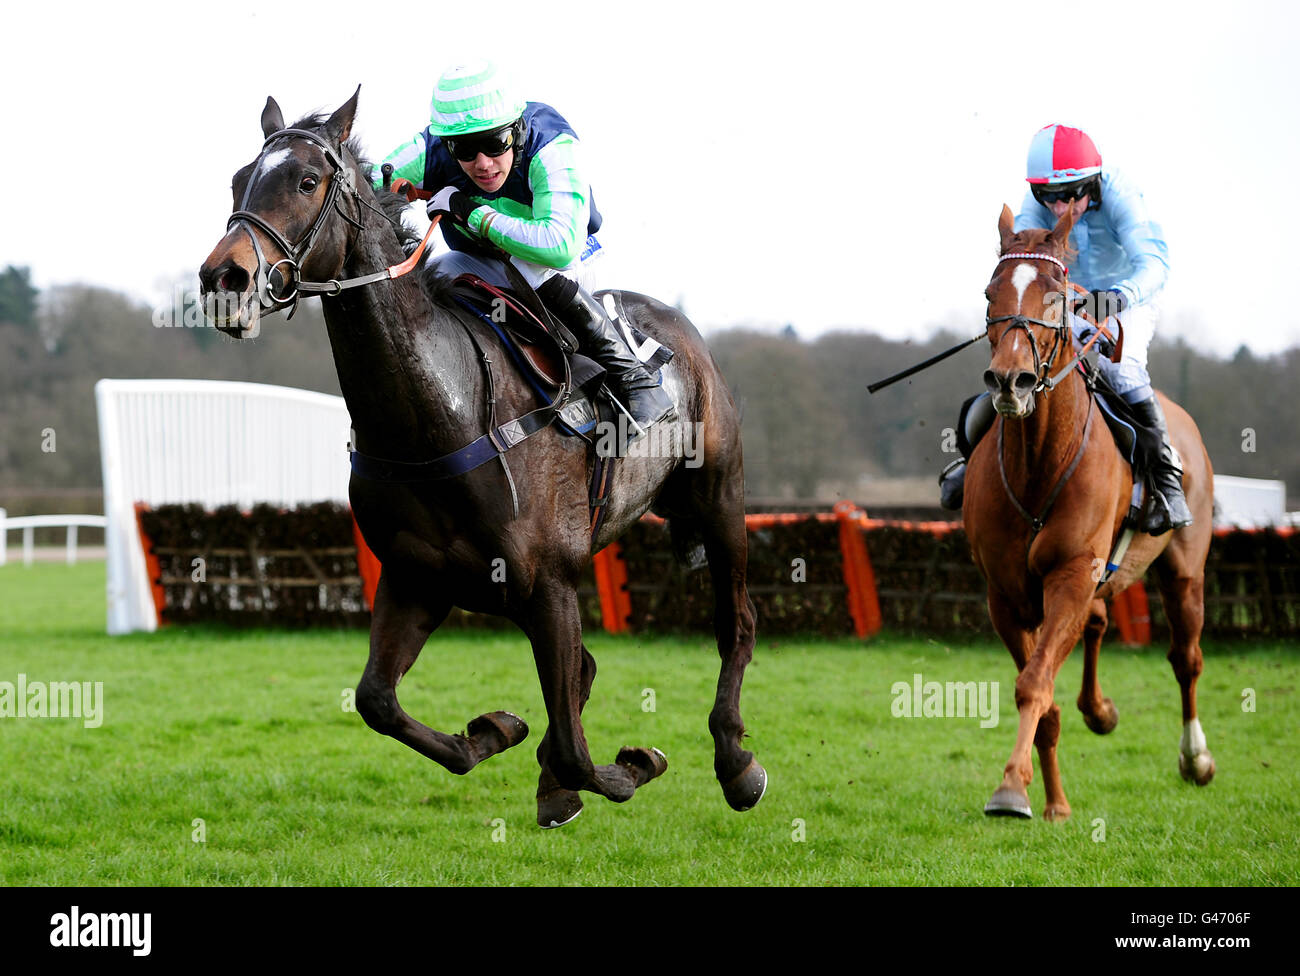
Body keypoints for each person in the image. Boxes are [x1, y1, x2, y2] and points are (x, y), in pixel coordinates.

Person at [374, 60, 675, 433]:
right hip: (484, 260)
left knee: (528, 264)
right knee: (437, 272)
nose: (482, 163)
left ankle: (634, 379)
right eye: (465, 150)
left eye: (495, 143)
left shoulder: (551, 144)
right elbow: (359, 181)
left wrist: (470, 212)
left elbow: (559, 245)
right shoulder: (433, 148)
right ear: (447, 142)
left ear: (516, 130)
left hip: (566, 258)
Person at [939, 123, 1191, 534]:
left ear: (1092, 182)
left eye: (1070, 194)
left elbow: (1154, 265)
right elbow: (1025, 263)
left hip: (1130, 295)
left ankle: (1167, 481)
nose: (1059, 207)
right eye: (1049, 197)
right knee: (1020, 359)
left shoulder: (1121, 197)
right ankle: (970, 461)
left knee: (1119, 370)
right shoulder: (1036, 203)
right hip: (1065, 295)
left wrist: (1117, 298)